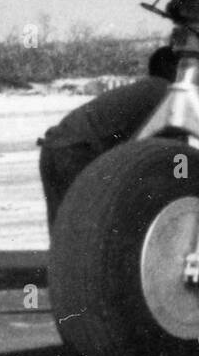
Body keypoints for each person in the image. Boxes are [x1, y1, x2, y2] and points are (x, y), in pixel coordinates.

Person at [38, 46, 179, 230]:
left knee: (64, 234)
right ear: (175, 69)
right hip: (76, 153)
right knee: (87, 232)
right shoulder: (168, 94)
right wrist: (182, 181)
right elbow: (178, 153)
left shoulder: (144, 88)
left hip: (53, 148)